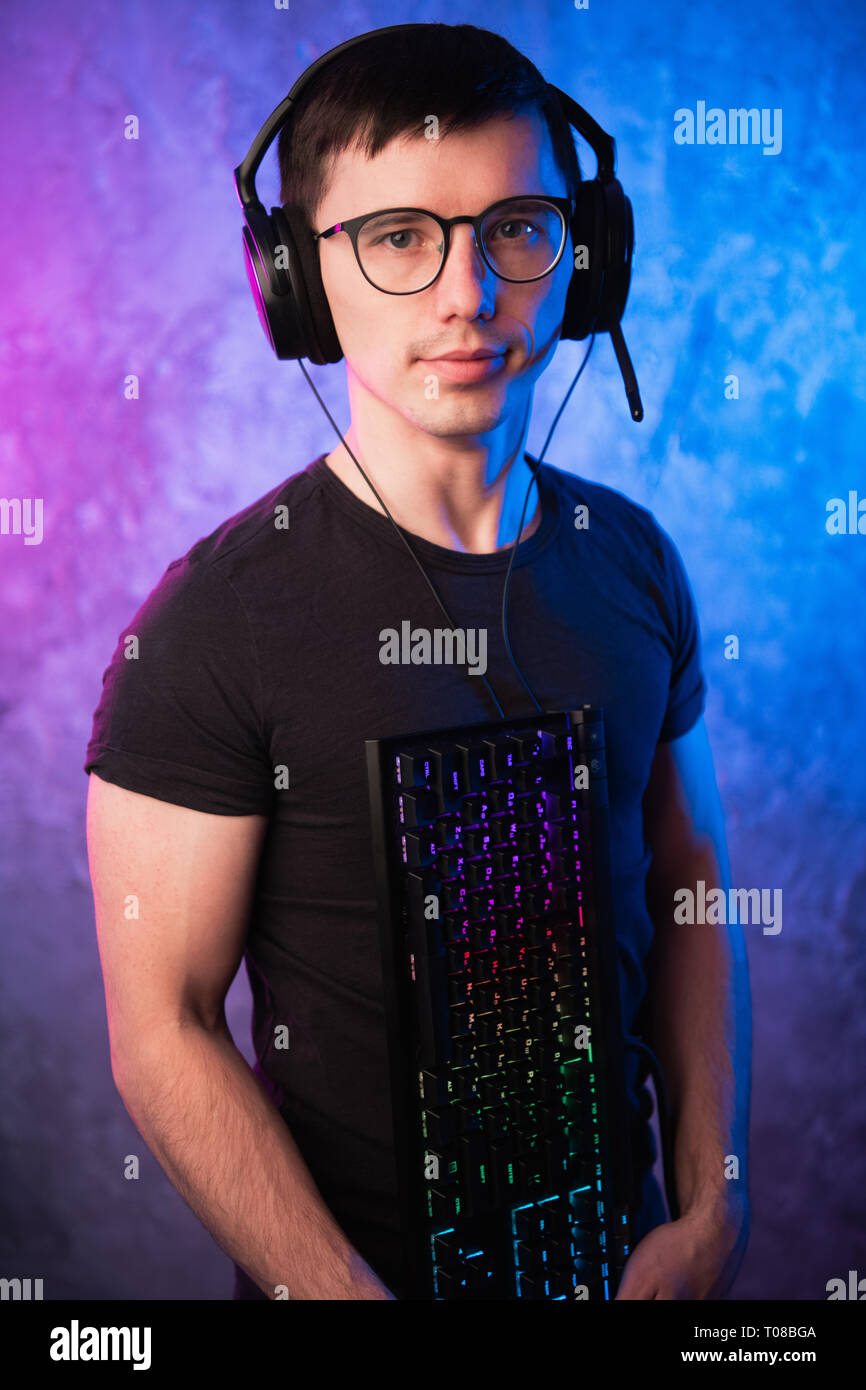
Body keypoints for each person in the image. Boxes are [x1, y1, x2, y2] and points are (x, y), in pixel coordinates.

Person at [84, 22, 751, 1301]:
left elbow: (691, 877)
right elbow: (161, 1030)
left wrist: (710, 1198)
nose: (467, 293)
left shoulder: (634, 562)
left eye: (515, 226)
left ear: (582, 256)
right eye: (398, 238)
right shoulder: (212, 625)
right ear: (296, 279)